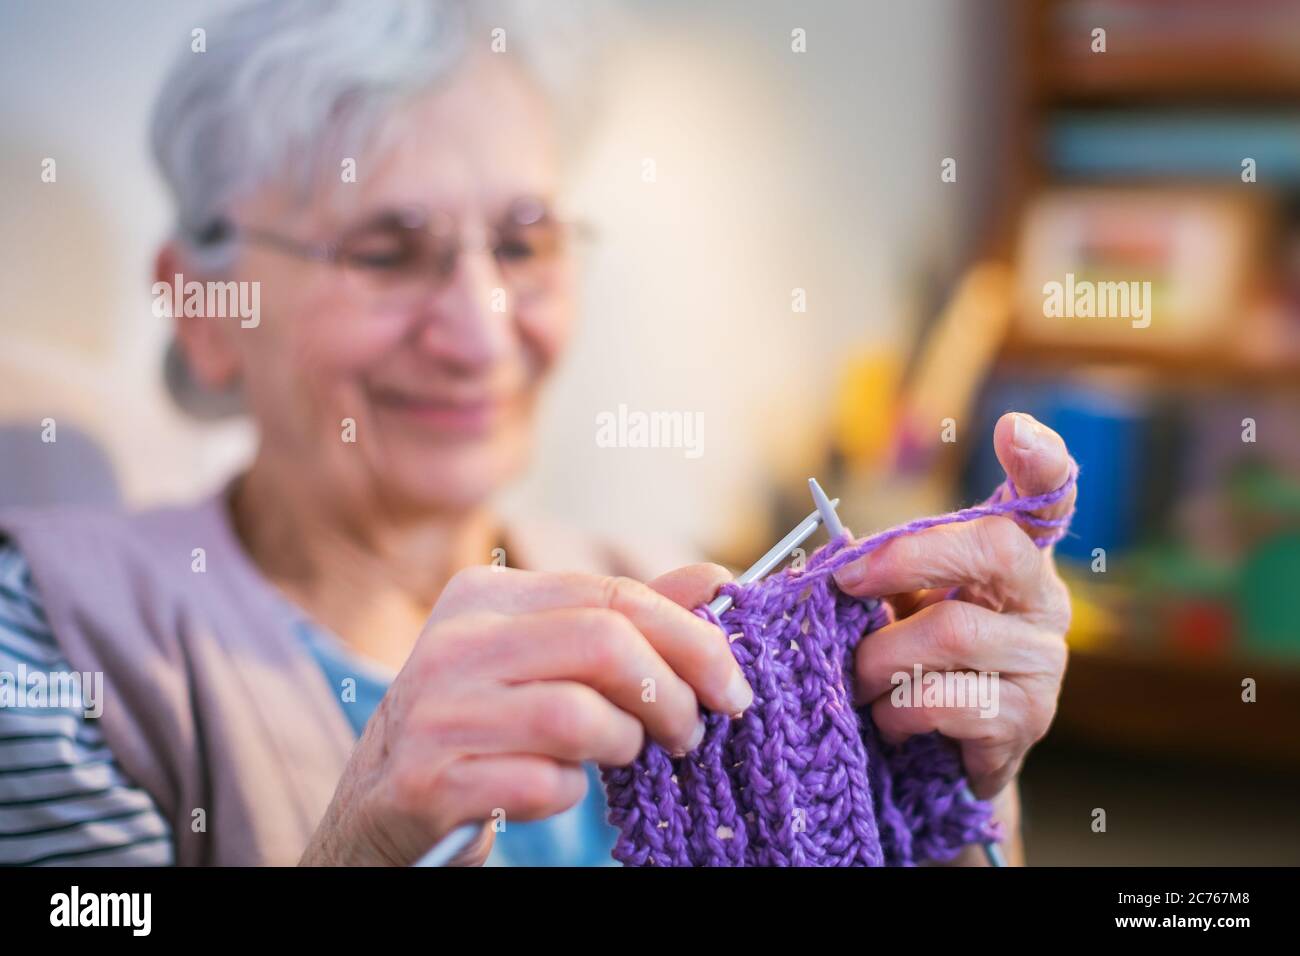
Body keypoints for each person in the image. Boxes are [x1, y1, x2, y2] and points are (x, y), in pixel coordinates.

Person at [0, 0, 1075, 866]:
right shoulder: (57, 640)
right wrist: (360, 844)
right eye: (385, 250)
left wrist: (959, 803)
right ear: (205, 309)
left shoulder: (676, 602)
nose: (480, 331)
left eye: (522, 245)